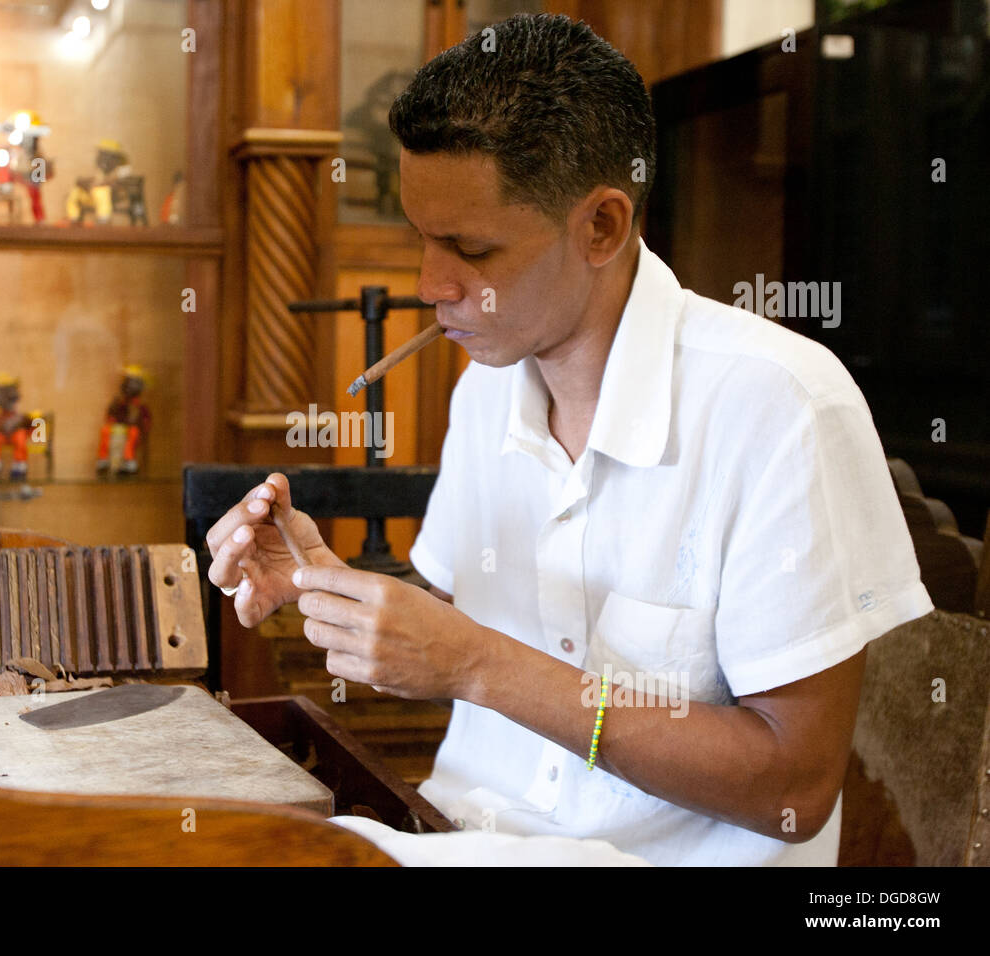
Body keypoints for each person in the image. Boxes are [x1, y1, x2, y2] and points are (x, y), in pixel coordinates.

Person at [204, 13, 932, 865]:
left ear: (602, 227)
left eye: (470, 248)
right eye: (421, 238)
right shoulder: (485, 391)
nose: (430, 285)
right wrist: (328, 588)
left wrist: (482, 667)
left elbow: (795, 791)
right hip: (452, 835)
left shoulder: (781, 407)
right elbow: (458, 630)